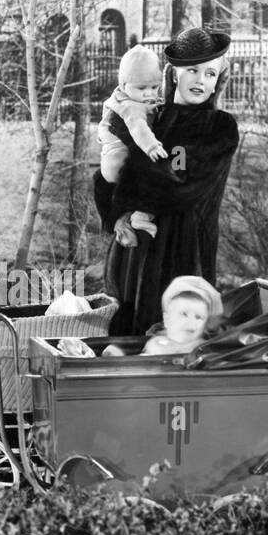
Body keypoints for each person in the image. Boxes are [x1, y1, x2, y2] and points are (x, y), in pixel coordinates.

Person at [98, 26, 241, 336]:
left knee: (168, 351)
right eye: (193, 70)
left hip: (180, 261)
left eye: (210, 74)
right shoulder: (151, 117)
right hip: (132, 256)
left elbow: (177, 183)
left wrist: (134, 151)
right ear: (175, 73)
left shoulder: (217, 128)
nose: (201, 80)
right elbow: (105, 179)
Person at [95, 45, 164, 244]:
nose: (148, 94)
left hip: (109, 165)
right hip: (119, 161)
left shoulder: (121, 98)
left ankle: (123, 224)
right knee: (153, 174)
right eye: (141, 88)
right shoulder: (129, 108)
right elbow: (138, 128)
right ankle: (142, 215)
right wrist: (152, 147)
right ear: (124, 86)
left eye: (154, 87)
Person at [141, 275, 222, 356]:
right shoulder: (155, 345)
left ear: (205, 325)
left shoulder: (205, 350)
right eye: (184, 314)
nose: (191, 321)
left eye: (198, 317)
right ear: (167, 320)